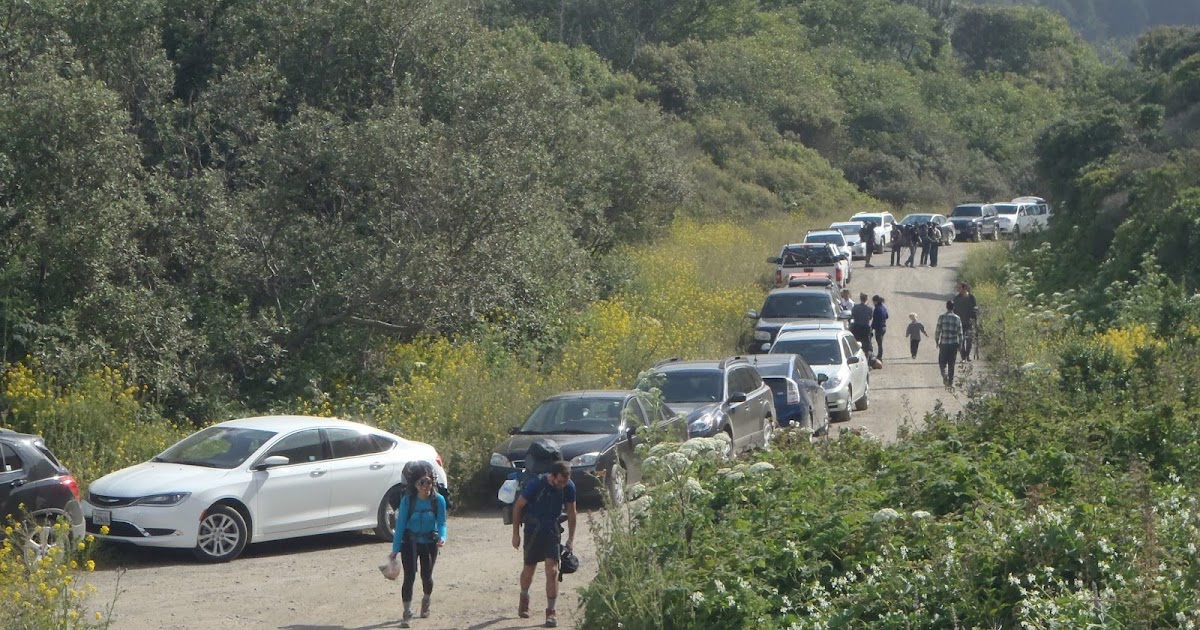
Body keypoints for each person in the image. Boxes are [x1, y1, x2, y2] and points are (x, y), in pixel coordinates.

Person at [512, 460, 577, 628]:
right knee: (529, 570)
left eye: (565, 481)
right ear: (552, 475)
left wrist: (571, 538)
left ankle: (551, 611)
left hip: (552, 531)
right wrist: (516, 535)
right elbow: (518, 507)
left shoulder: (569, 487)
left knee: (552, 570)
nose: (562, 485)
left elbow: (571, 512)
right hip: (533, 531)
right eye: (560, 481)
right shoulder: (536, 484)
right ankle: (524, 597)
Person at [390, 464, 448, 628]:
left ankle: (426, 600)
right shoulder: (408, 501)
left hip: (430, 543)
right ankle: (407, 613)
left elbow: (442, 522)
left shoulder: (438, 500)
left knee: (426, 576)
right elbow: (400, 526)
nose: (425, 486)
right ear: (414, 485)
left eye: (428, 482)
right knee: (409, 577)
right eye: (421, 483)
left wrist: (442, 537)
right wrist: (395, 550)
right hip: (409, 543)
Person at [935, 300, 964, 389]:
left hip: (943, 343)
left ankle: (944, 374)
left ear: (947, 307)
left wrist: (937, 341)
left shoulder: (941, 317)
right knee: (952, 363)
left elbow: (938, 331)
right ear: (953, 307)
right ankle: (950, 381)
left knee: (942, 361)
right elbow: (960, 333)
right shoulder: (957, 318)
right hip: (953, 344)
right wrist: (960, 344)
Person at [952, 283, 979, 362]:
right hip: (959, 322)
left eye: (959, 288)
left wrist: (975, 318)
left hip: (969, 322)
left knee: (969, 340)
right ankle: (963, 357)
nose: (958, 289)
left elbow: (975, 308)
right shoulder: (956, 299)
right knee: (961, 341)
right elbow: (954, 310)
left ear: (964, 288)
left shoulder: (971, 297)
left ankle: (967, 355)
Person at [849, 292, 874, 360]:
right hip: (865, 328)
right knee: (866, 346)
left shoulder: (855, 307)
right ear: (867, 299)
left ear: (860, 299)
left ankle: (855, 358)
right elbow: (871, 317)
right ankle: (867, 360)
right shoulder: (869, 309)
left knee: (855, 345)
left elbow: (852, 315)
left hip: (856, 328)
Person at [871, 295, 889, 360]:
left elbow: (874, 320)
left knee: (879, 343)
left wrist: (871, 328)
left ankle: (879, 356)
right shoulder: (883, 308)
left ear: (876, 301)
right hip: (884, 327)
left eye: (873, 301)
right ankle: (879, 355)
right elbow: (887, 316)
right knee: (880, 342)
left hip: (879, 328)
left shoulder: (876, 309)